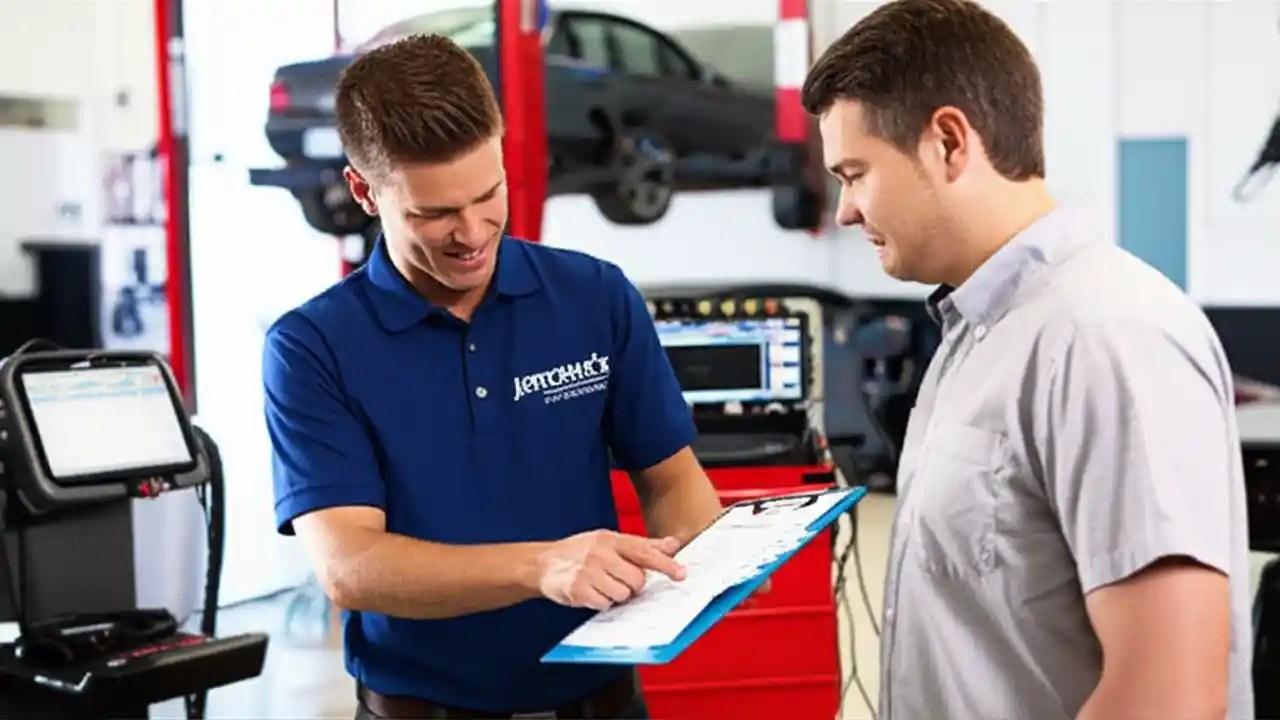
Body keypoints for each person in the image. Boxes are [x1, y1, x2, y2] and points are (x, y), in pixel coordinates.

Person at [801, 1, 1253, 719]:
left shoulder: (1099, 337)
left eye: (855, 173)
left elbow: (1167, 696)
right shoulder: (982, 333)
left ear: (949, 141)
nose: (846, 210)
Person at [261, 34, 725, 720]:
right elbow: (349, 566)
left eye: (488, 193)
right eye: (434, 213)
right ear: (363, 190)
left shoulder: (594, 296)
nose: (473, 231)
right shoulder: (314, 347)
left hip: (601, 705)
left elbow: (672, 478)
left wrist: (704, 565)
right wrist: (542, 568)